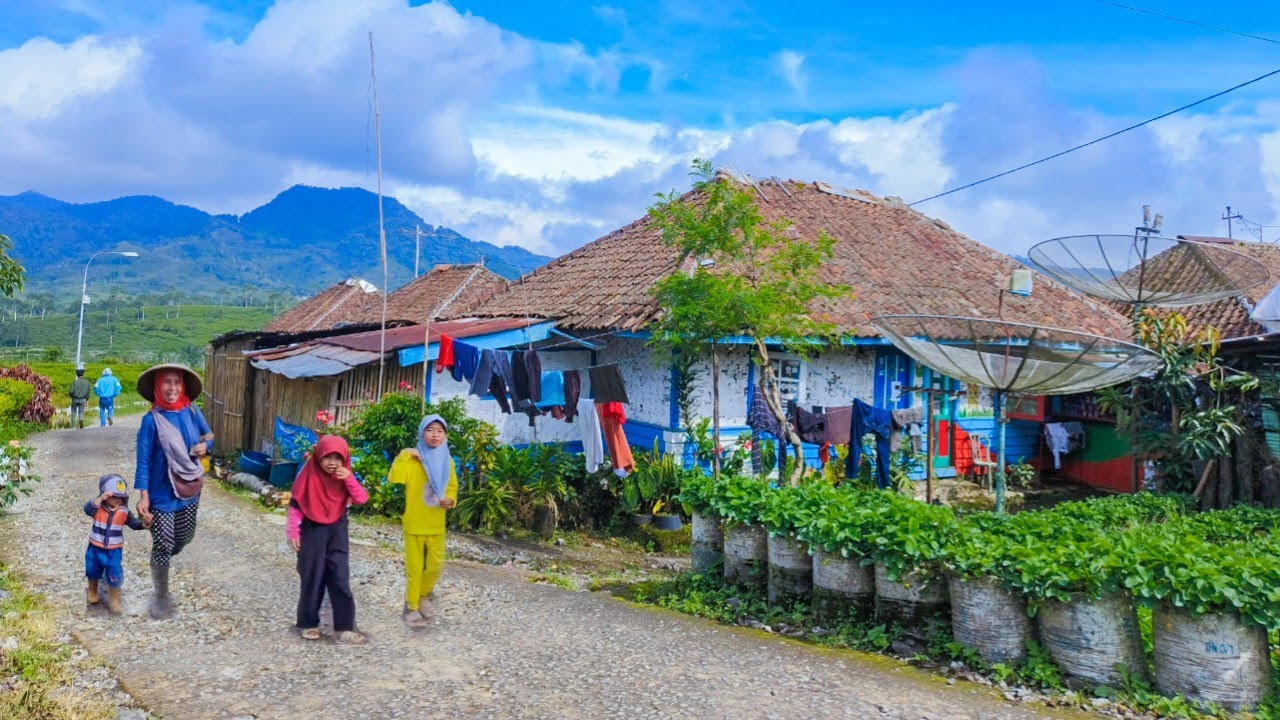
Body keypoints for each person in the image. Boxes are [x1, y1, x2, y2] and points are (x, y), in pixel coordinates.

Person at [133, 364, 214, 620]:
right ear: (158, 386)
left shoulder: (191, 410)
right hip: (161, 493)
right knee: (164, 542)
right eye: (166, 382)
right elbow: (143, 460)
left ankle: (163, 555)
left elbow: (209, 434)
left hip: (189, 487)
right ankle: (161, 597)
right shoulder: (150, 420)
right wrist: (143, 495)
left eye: (176, 382)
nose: (172, 388)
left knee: (184, 538)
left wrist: (206, 446)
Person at [286, 435, 369, 644]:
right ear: (318, 457)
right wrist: (293, 532)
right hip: (311, 531)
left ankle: (344, 627)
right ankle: (308, 623)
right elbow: (296, 506)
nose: (333, 463)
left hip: (337, 530)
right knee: (312, 577)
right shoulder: (307, 476)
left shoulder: (344, 478)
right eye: (327, 457)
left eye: (338, 458)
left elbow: (361, 499)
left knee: (340, 577)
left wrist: (348, 478)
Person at [387, 414, 457, 629]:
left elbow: (452, 488)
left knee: (436, 565)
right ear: (421, 433)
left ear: (445, 435)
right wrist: (404, 454)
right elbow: (393, 477)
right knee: (414, 569)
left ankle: (423, 594)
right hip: (414, 524)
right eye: (430, 430)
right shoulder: (413, 461)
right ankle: (412, 607)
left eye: (439, 431)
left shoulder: (448, 462)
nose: (435, 435)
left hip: (436, 524)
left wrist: (451, 501)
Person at [84, 473, 148, 615]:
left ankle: (114, 598)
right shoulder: (98, 509)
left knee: (115, 573)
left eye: (120, 497)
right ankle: (92, 590)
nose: (117, 500)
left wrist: (144, 523)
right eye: (113, 496)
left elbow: (134, 524)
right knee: (92, 570)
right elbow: (87, 509)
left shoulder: (124, 512)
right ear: (105, 495)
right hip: (95, 548)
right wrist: (100, 499)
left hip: (113, 550)